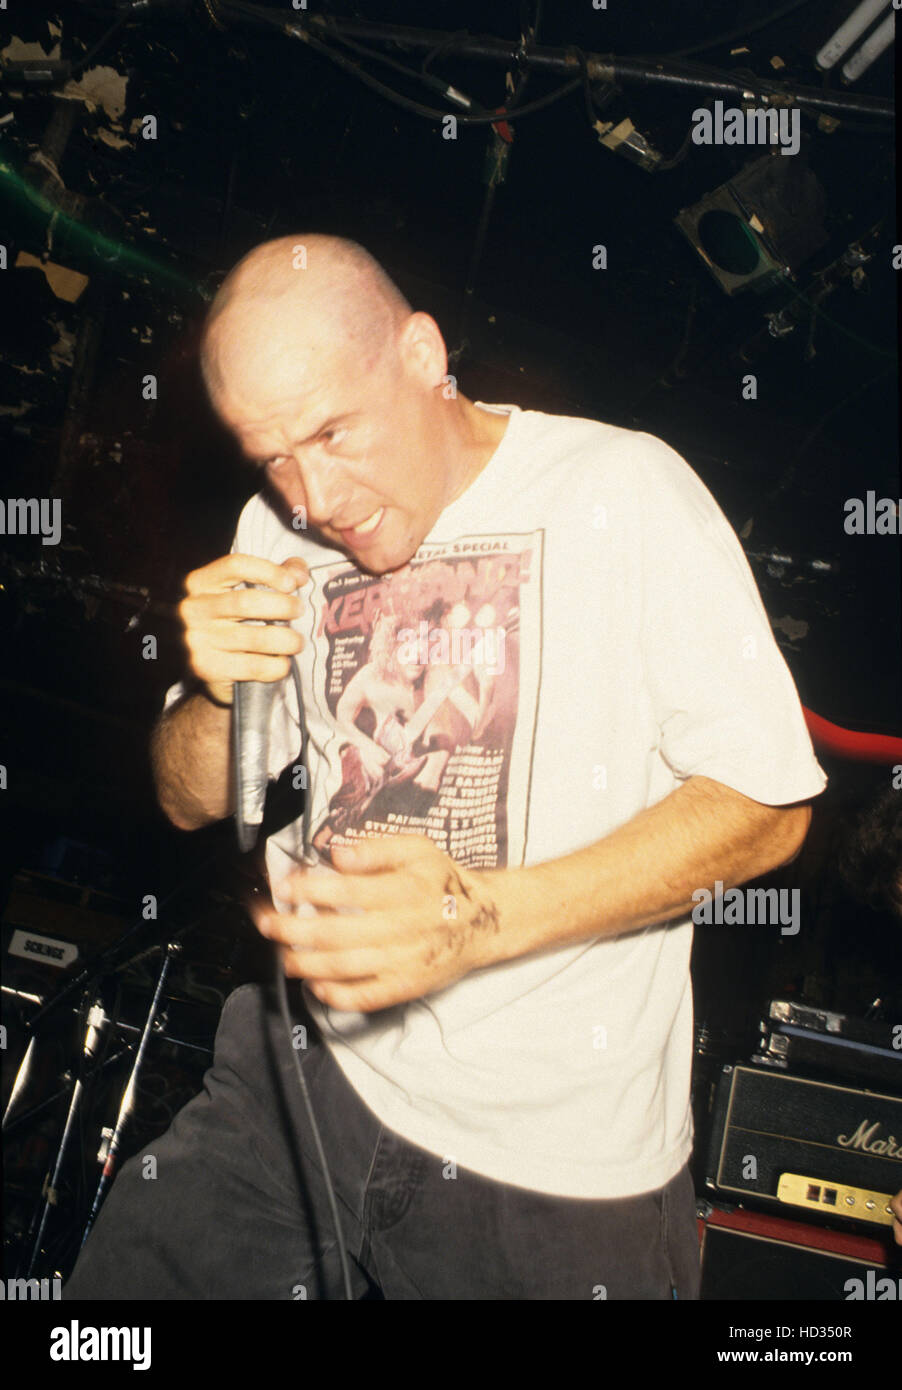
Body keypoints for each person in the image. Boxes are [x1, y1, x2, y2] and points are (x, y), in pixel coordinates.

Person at [63, 234, 825, 1300]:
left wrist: (482, 918)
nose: (313, 493)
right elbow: (196, 797)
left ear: (423, 353)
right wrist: (216, 694)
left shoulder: (624, 490)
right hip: (302, 1081)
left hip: (552, 1162)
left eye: (333, 431)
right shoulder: (272, 530)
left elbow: (765, 804)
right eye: (270, 454)